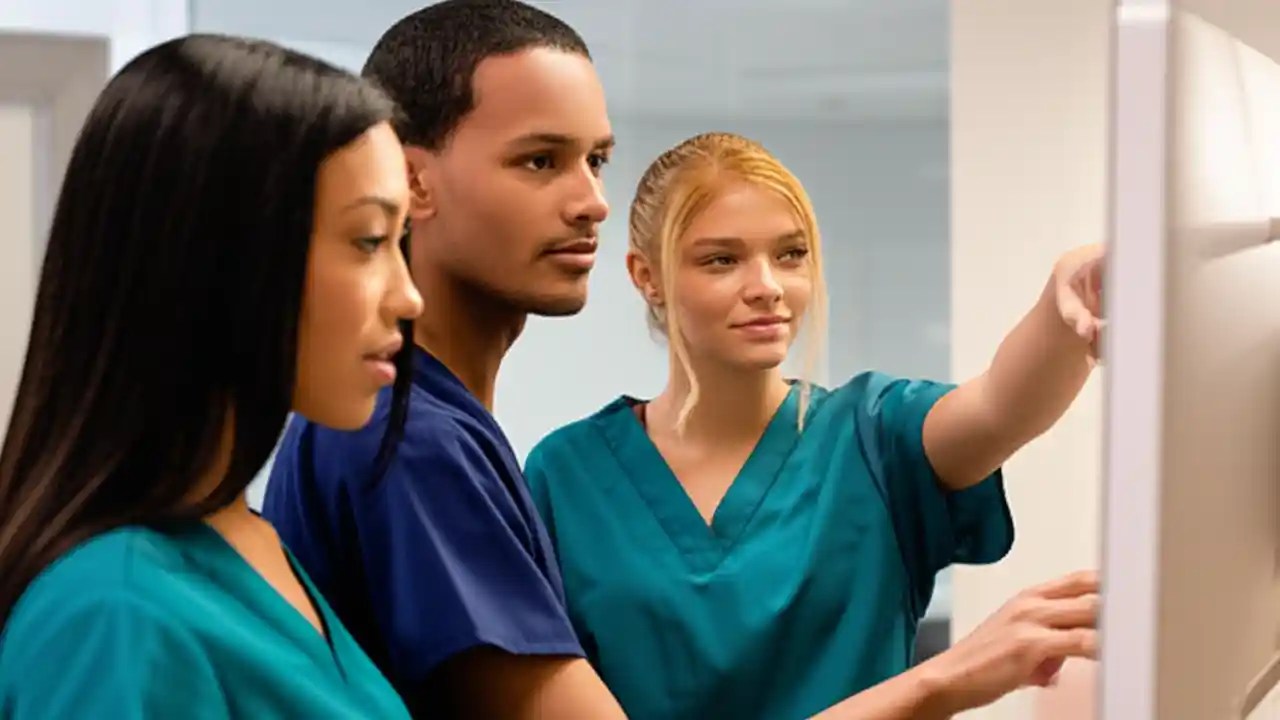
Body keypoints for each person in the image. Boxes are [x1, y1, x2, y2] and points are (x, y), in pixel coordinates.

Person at [523, 131, 1103, 720]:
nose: (767, 287)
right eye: (722, 260)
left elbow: (1002, 405)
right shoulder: (566, 475)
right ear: (646, 276)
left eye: (790, 255)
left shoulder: (875, 439)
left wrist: (1064, 302)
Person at [0, 34, 423, 718]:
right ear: (221, 256)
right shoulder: (115, 620)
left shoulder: (251, 547)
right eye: (369, 241)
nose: (409, 297)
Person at [260, 1, 627, 717]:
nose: (591, 202)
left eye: (597, 161)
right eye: (540, 161)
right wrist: (918, 690)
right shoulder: (405, 434)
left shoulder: (426, 417)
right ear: (410, 179)